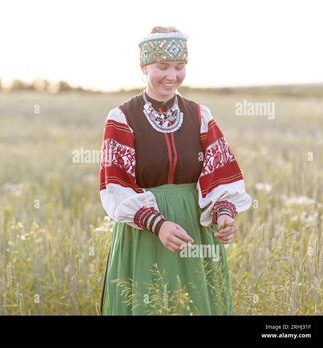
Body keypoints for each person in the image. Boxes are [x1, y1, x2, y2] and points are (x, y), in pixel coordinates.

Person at [98, 26, 252, 315]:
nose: (172, 75)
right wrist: (158, 224)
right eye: (162, 66)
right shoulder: (121, 118)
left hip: (195, 230)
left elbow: (219, 172)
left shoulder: (200, 115)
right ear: (143, 67)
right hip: (144, 234)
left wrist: (224, 214)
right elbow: (117, 184)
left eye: (180, 67)